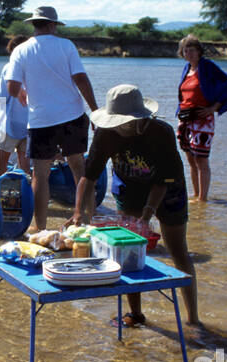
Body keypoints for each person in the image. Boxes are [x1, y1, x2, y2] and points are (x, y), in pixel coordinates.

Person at [69, 84, 199, 326]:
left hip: (168, 190)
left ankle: (193, 320)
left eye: (124, 122)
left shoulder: (161, 132)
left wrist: (148, 213)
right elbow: (89, 176)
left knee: (178, 251)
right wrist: (81, 212)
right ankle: (136, 314)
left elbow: (163, 181)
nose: (119, 126)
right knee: (126, 253)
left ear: (139, 119)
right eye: (115, 121)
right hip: (129, 189)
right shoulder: (106, 133)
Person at [4, 6, 98, 231]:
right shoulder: (66, 45)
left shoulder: (21, 50)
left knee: (40, 175)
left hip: (41, 120)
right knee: (79, 169)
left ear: (34, 25)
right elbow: (81, 79)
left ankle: (41, 228)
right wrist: (95, 111)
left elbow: (11, 86)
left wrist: (21, 92)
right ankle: (88, 222)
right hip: (72, 115)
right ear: (53, 25)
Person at [175, 34, 227, 202]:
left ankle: (203, 198)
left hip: (203, 120)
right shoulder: (187, 69)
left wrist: (214, 107)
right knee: (190, 159)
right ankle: (196, 197)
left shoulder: (207, 66)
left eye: (192, 50)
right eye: (186, 51)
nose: (189, 54)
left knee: (201, 159)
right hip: (186, 119)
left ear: (199, 51)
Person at [0, 35, 31, 179]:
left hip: (9, 125)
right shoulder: (33, 69)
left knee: (1, 166)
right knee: (25, 167)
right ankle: (27, 198)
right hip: (28, 124)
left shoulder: (8, 68)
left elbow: (3, 97)